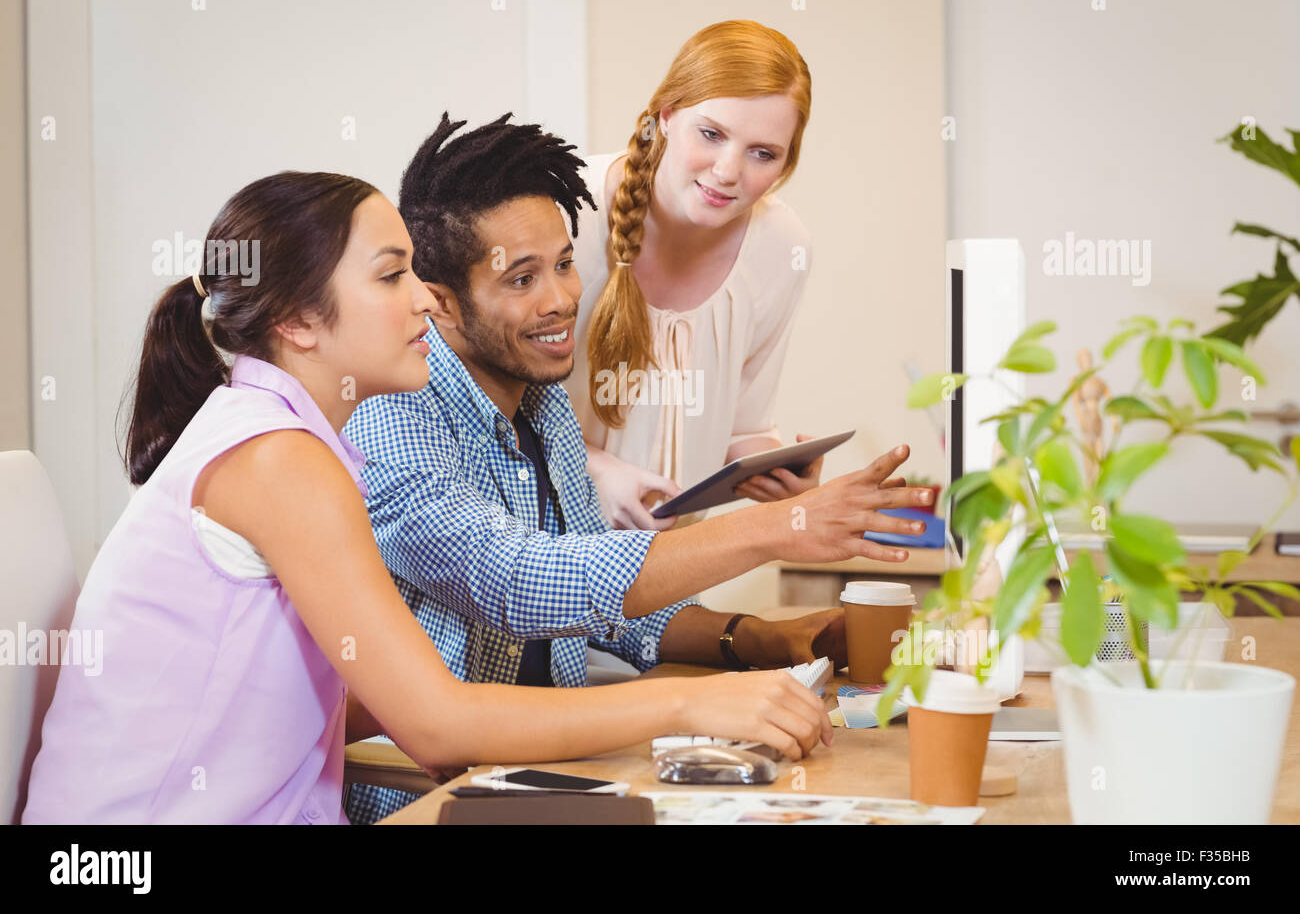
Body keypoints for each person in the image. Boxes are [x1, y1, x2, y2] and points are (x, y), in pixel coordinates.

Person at [20, 171, 837, 825]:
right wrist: (694, 703)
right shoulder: (278, 459)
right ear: (301, 321)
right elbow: (435, 722)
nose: (423, 298)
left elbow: (354, 707)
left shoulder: (289, 438)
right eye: (391, 275)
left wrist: (707, 678)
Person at [341, 114, 933, 823]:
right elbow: (519, 582)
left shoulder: (545, 406)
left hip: (544, 777)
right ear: (440, 303)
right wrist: (775, 530)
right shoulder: (392, 414)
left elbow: (608, 616)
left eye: (563, 264)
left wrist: (759, 639)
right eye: (521, 279)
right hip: (429, 801)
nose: (561, 300)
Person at [567, 19, 822, 531]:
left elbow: (744, 425)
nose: (729, 172)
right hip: (542, 561)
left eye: (763, 153)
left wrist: (778, 470)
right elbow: (492, 409)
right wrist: (595, 470)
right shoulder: (568, 213)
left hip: (673, 569)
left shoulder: (781, 248)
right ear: (665, 115)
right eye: (711, 134)